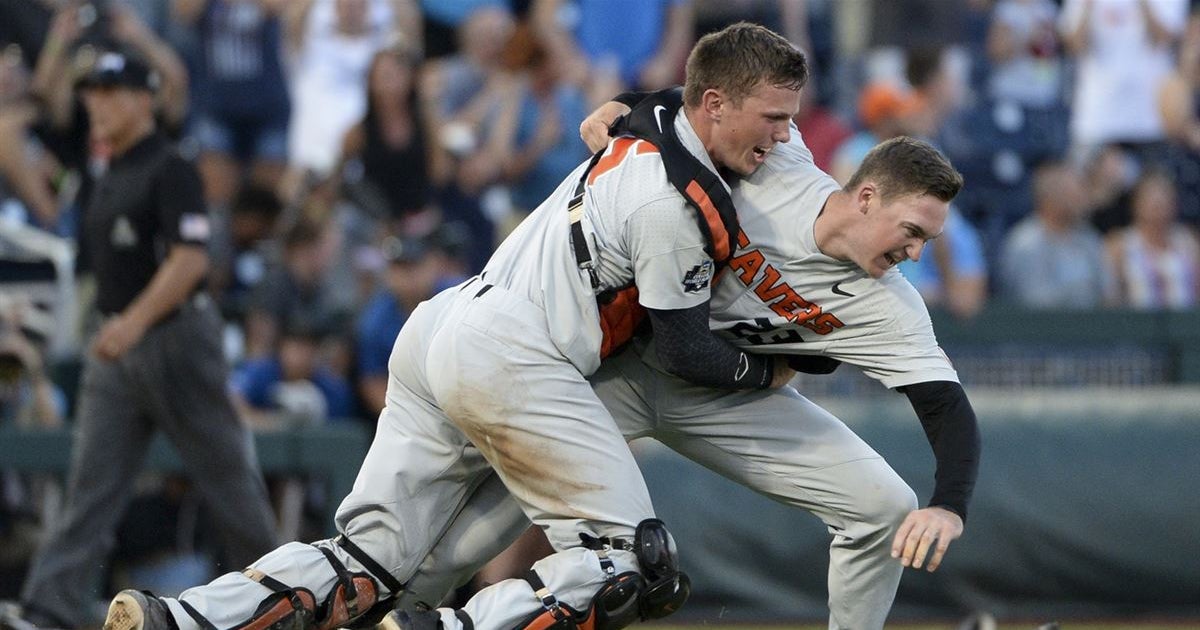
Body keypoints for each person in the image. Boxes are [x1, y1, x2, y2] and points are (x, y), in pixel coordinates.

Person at [99, 22, 806, 630]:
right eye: (774, 118)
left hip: (446, 319)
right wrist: (770, 366)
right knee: (631, 564)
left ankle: (180, 617)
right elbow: (683, 346)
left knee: (367, 561)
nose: (783, 136)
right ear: (715, 105)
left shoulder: (637, 133)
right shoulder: (679, 194)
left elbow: (660, 104)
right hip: (518, 348)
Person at [11, 50, 278, 630]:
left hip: (174, 339)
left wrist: (131, 323)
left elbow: (189, 261)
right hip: (117, 345)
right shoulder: (109, 169)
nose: (97, 104)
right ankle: (47, 610)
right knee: (90, 489)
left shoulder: (170, 166)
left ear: (144, 99)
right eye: (91, 93)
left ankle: (288, 603)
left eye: (110, 91)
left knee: (230, 485)